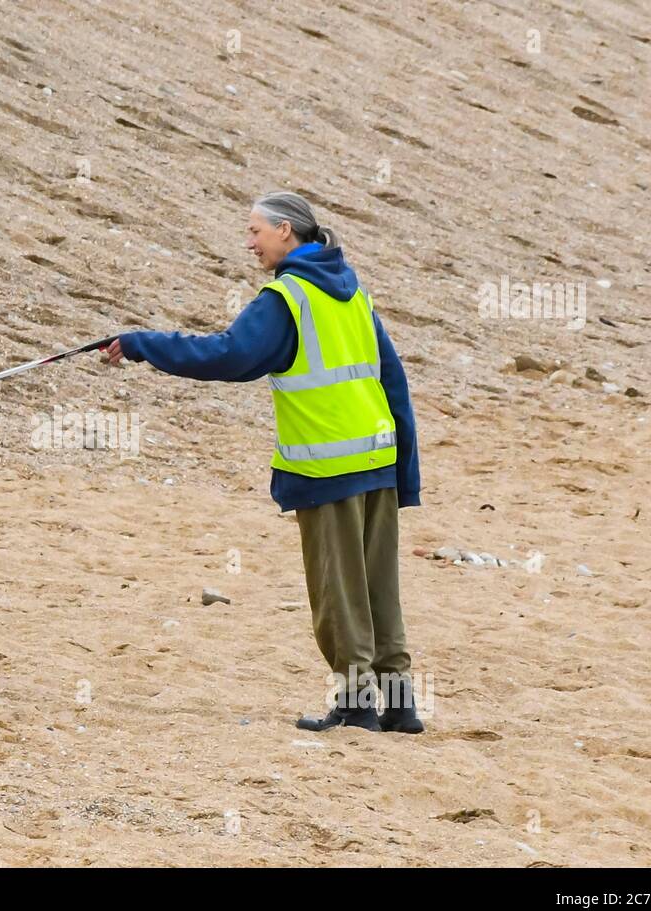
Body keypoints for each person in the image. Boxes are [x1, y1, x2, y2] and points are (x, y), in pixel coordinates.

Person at [103, 191, 424, 732]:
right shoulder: (352, 292)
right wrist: (405, 471)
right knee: (377, 586)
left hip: (329, 466)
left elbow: (229, 355)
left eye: (255, 231)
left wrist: (143, 344)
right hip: (377, 457)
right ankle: (399, 705)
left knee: (338, 591)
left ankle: (357, 705)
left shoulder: (288, 297)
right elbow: (393, 380)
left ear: (285, 231)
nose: (248, 242)